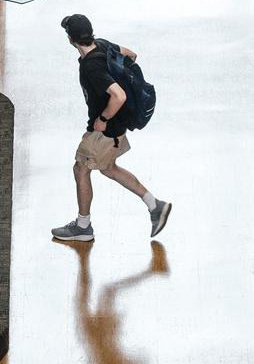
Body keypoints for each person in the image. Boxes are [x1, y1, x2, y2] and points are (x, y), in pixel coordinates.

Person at [52, 14, 171, 243]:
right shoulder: (104, 44)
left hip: (105, 129)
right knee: (108, 168)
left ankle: (83, 226)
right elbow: (132, 55)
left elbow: (118, 95)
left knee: (81, 169)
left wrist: (104, 119)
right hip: (118, 125)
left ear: (71, 39)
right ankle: (155, 206)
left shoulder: (91, 67)